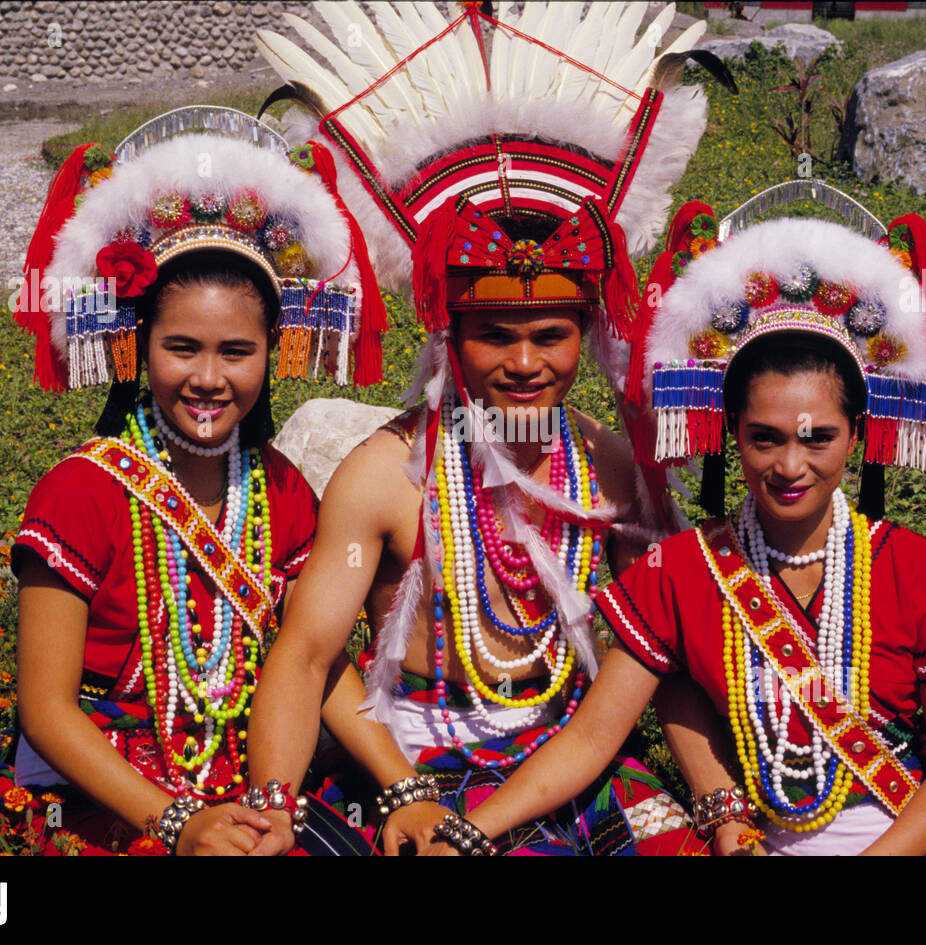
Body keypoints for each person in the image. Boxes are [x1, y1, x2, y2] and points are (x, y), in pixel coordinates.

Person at [247, 1, 721, 855]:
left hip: (573, 753)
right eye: (494, 335)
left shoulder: (613, 472)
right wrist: (274, 809)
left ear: (588, 334)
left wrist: (721, 802)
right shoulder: (388, 474)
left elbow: (671, 646)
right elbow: (308, 652)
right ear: (449, 336)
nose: (525, 362)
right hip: (420, 757)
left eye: (550, 335)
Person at [427, 196, 926, 856]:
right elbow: (593, 738)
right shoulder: (680, 571)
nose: (790, 465)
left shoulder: (923, 571)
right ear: (731, 432)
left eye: (817, 437)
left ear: (857, 435)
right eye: (764, 438)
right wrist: (467, 833)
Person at [0, 106, 385, 856]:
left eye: (236, 350)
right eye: (181, 348)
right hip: (103, 788)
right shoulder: (79, 494)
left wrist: (389, 784)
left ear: (276, 350)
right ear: (139, 344)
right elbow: (45, 710)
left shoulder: (284, 491)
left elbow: (317, 657)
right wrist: (177, 823)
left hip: (254, 769)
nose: (208, 378)